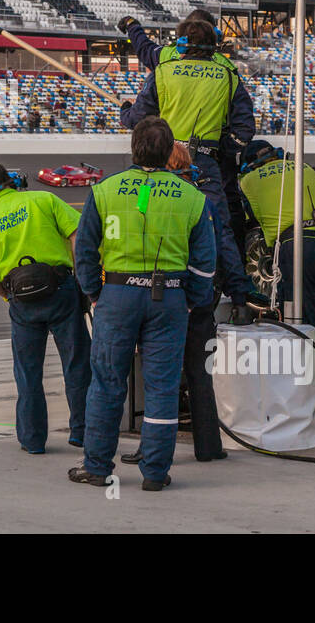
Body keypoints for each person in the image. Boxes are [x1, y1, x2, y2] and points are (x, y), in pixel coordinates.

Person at [69, 117, 216, 491]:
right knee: (163, 388)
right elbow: (204, 264)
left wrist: (95, 295)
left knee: (106, 383)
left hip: (117, 295)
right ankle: (154, 472)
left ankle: (97, 466)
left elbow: (84, 251)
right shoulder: (194, 197)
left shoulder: (104, 190)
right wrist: (191, 303)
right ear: (170, 152)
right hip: (169, 296)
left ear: (133, 149)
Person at [120, 17, 256, 310]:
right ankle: (241, 297)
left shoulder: (164, 69)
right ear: (215, 44)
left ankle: (143, 283)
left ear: (179, 44)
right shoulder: (227, 74)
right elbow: (245, 127)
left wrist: (124, 111)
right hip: (205, 162)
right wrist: (224, 148)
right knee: (219, 228)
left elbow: (137, 119)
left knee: (145, 214)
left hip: (163, 161)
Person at [0, 162, 90, 455]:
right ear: (13, 180)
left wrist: (8, 297)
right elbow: (78, 233)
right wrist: (78, 274)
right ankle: (83, 432)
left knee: (28, 372)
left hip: (22, 301)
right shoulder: (44, 199)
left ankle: (33, 440)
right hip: (61, 290)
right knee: (76, 364)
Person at [239, 140, 315, 432]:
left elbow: (246, 223)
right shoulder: (304, 167)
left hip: (298, 245)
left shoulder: (248, 180)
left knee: (307, 330)